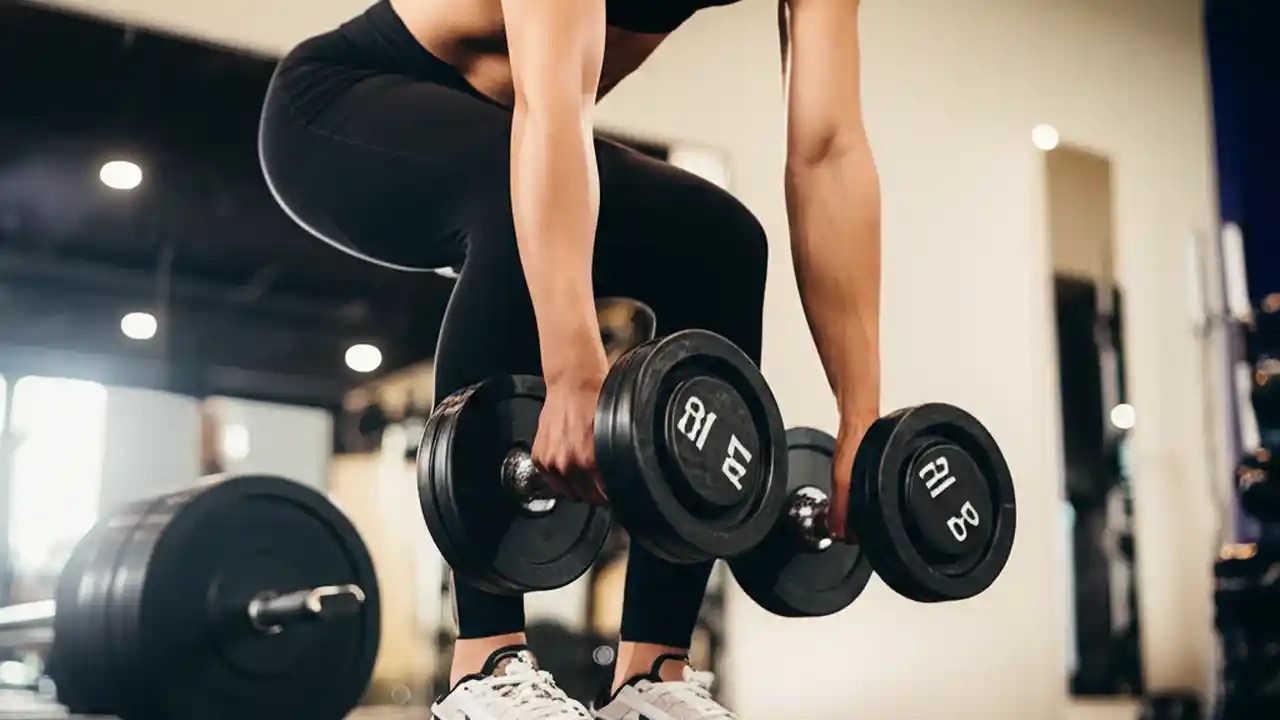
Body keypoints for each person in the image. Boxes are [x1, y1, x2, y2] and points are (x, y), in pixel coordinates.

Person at [258, 0, 880, 715]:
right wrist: (571, 367)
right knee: (507, 184)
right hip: (340, 113)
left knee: (722, 242)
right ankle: (483, 668)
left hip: (508, 133)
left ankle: (654, 680)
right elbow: (551, 108)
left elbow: (829, 150)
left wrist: (860, 413)